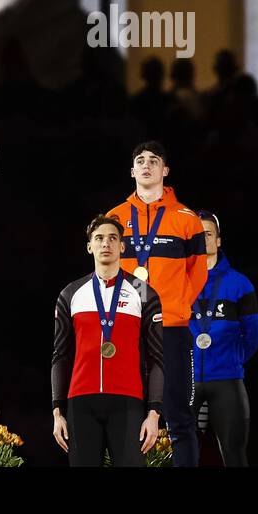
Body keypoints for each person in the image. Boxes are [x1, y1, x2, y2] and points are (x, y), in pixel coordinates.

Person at [106, 142, 207, 467]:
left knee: (179, 417)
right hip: (128, 328)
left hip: (173, 329)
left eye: (154, 160)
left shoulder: (187, 219)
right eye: (140, 161)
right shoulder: (115, 218)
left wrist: (175, 306)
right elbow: (106, 269)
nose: (146, 165)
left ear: (165, 170)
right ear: (132, 171)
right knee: (126, 414)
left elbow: (199, 272)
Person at [52, 214, 163, 466]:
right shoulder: (71, 293)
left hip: (128, 404)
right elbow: (60, 355)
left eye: (113, 238)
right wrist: (57, 411)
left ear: (122, 246)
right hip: (80, 404)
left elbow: (158, 358)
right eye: (99, 238)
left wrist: (154, 413)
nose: (106, 244)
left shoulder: (144, 292)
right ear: (89, 246)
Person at [190, 211, 258, 467]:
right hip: (188, 382)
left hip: (227, 380)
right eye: (198, 235)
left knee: (234, 455)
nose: (203, 239)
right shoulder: (177, 282)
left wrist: (229, 361)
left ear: (218, 240)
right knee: (179, 455)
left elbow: (253, 337)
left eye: (208, 234)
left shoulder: (239, 284)